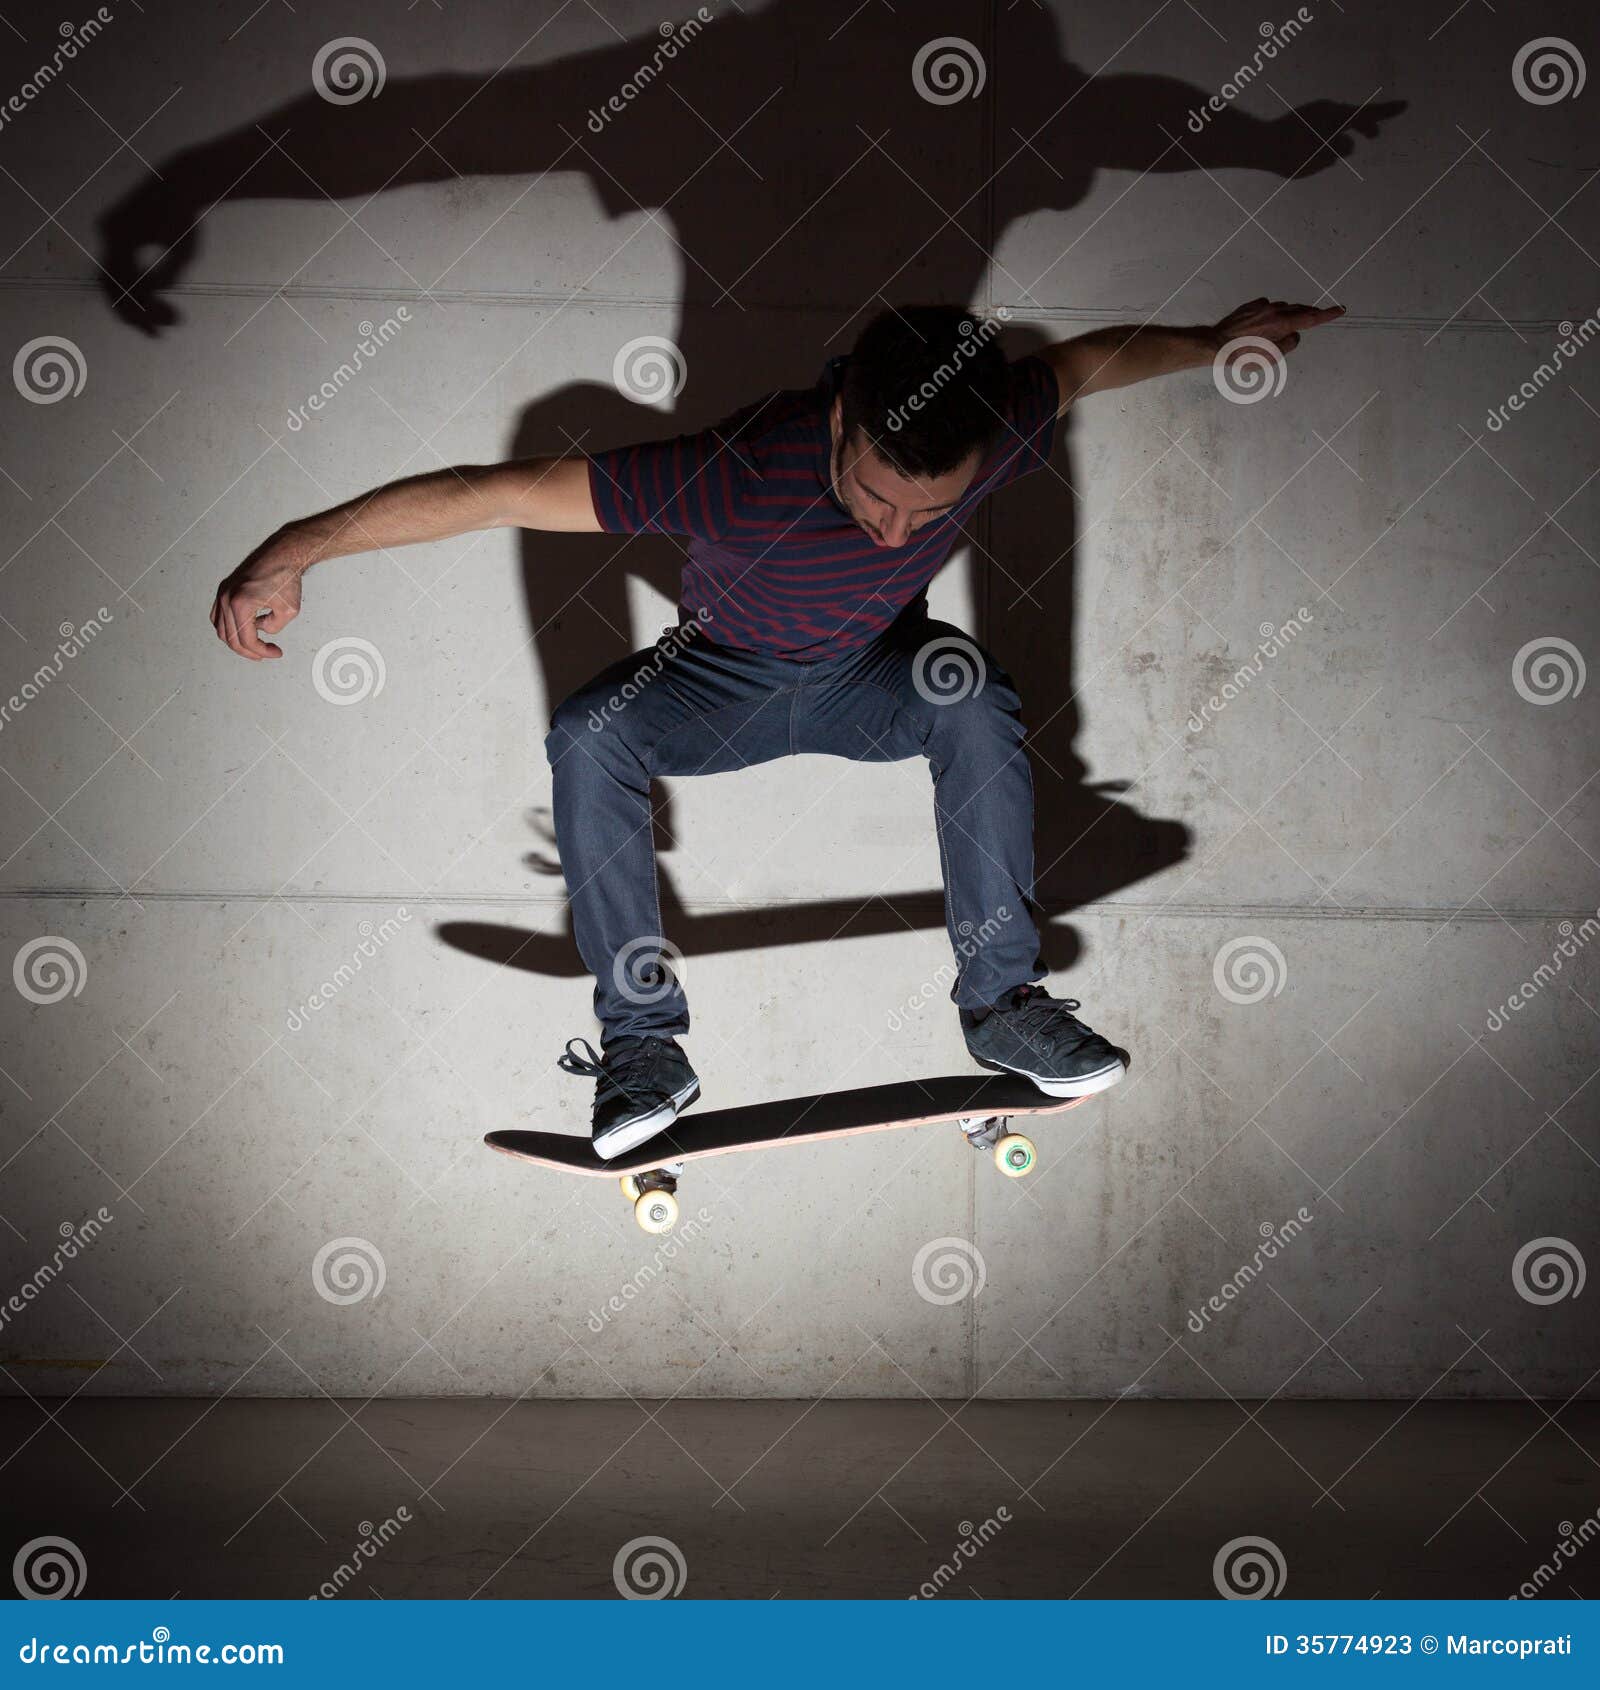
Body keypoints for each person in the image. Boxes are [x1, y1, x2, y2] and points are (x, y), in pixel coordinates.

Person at [212, 297, 1344, 1159]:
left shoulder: (996, 420)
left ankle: (1001, 1003)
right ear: (843, 414)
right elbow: (490, 490)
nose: (899, 530)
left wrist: (1214, 338)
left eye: (928, 512)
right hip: (721, 683)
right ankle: (643, 1045)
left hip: (871, 677)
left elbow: (1091, 361)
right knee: (591, 727)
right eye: (874, 497)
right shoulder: (734, 472)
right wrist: (294, 547)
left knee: (967, 684)